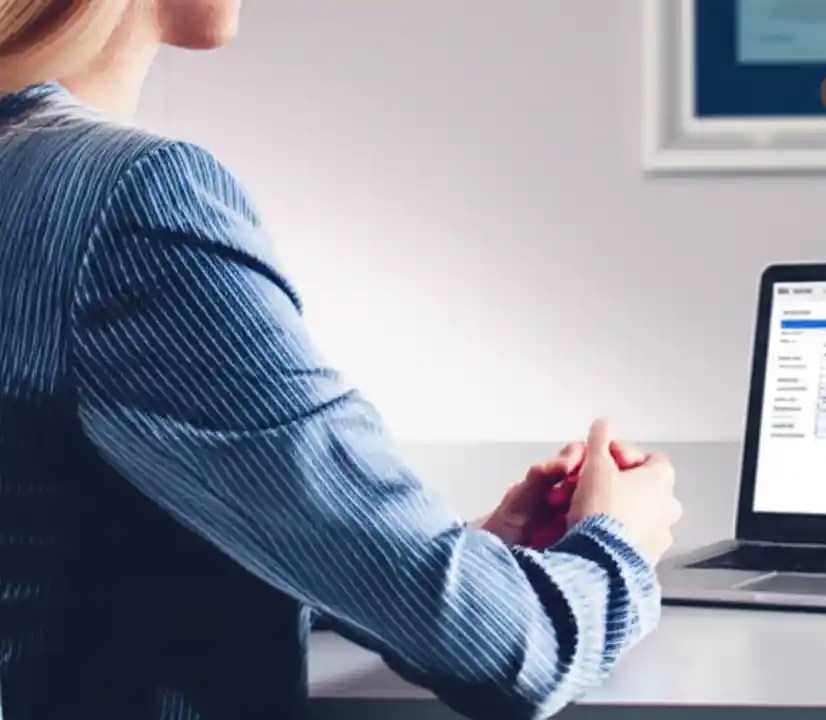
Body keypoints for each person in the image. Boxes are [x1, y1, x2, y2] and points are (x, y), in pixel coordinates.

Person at [0, 2, 682, 719]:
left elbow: (72, 559)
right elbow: (513, 648)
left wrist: (404, 560)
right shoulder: (132, 199)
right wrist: (620, 541)